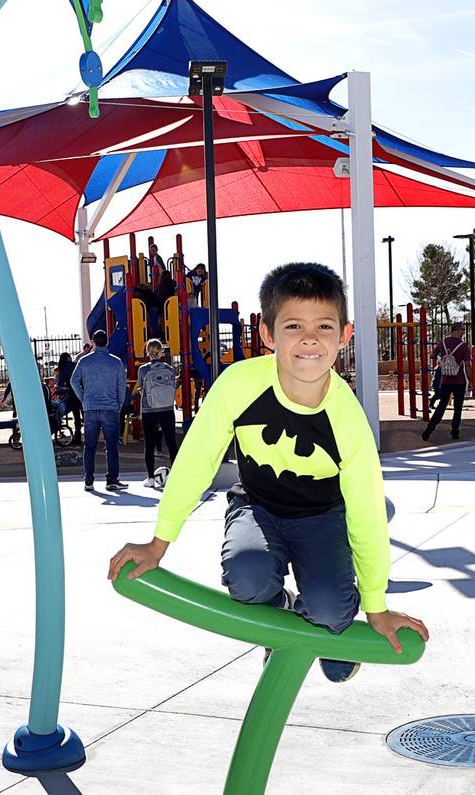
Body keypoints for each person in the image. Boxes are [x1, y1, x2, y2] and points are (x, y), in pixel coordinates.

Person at [107, 262, 429, 683]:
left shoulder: (346, 417)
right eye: (293, 325)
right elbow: (195, 461)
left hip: (322, 516)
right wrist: (158, 543)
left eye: (324, 327)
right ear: (267, 334)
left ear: (345, 336)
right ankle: (278, 617)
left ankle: (324, 618)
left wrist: (376, 605)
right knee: (248, 579)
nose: (309, 339)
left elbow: (366, 511)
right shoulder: (240, 384)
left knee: (330, 610)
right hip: (257, 504)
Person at [72, 329, 128, 492]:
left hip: (90, 408)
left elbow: (74, 381)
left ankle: (89, 480)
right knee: (111, 445)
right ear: (107, 342)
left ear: (93, 343)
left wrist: (84, 398)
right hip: (110, 407)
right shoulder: (116, 362)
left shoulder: (84, 361)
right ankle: (112, 479)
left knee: (89, 445)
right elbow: (121, 387)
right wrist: (119, 403)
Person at [136, 339, 180, 488]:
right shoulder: (169, 369)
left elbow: (141, 388)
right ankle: (175, 475)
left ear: (148, 352)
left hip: (149, 410)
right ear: (161, 351)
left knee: (149, 444)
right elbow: (173, 386)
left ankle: (150, 478)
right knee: (171, 443)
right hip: (167, 409)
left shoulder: (143, 370)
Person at [421, 322, 472, 442]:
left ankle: (429, 429)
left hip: (445, 381)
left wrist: (441, 358)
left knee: (441, 406)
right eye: (463, 329)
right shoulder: (463, 346)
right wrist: (470, 381)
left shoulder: (442, 343)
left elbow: (432, 355)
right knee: (458, 408)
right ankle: (455, 431)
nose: (464, 332)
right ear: (458, 330)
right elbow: (467, 365)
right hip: (459, 381)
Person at [56, 352, 83, 443]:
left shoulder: (63, 369)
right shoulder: (76, 365)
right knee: (86, 415)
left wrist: (65, 389)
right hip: (83, 392)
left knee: (76, 416)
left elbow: (60, 385)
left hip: (72, 394)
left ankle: (78, 435)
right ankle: (89, 435)